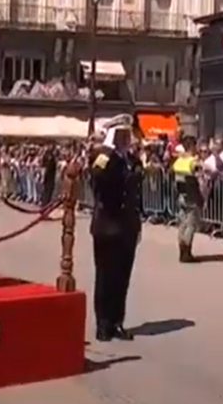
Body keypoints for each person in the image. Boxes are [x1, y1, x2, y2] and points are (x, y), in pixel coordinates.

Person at [89, 124, 141, 341]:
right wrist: (106, 153)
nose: (126, 139)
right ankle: (103, 323)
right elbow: (96, 178)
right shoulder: (104, 158)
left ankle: (117, 321)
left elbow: (135, 194)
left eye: (127, 135)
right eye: (121, 135)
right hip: (107, 225)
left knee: (122, 277)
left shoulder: (132, 161)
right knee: (105, 277)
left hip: (127, 225)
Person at [172, 137, 201, 263]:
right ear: (192, 147)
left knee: (182, 224)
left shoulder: (178, 161)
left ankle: (181, 250)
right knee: (191, 224)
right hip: (191, 195)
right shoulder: (192, 161)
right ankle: (186, 252)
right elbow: (198, 174)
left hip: (181, 195)